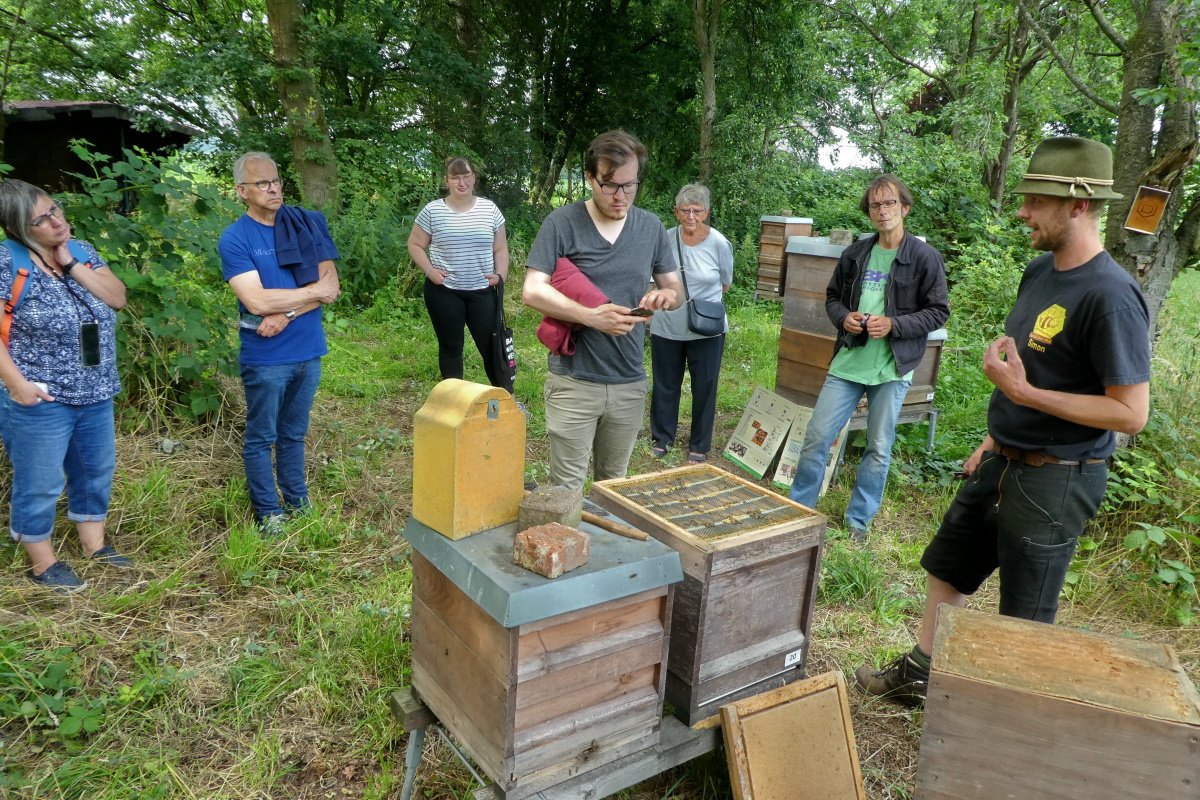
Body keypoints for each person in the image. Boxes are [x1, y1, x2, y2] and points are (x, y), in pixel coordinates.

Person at [855, 136, 1151, 707]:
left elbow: (1129, 413)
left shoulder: (1111, 294)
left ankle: (1003, 721)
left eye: (1035, 201)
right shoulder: (1040, 270)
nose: (1023, 211)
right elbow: (1039, 366)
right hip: (1005, 457)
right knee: (948, 565)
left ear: (1079, 205)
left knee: (1024, 614)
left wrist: (1024, 393)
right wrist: (997, 433)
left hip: (1057, 475)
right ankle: (923, 674)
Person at [788, 175, 949, 542]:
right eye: (875, 205)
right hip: (849, 361)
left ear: (904, 208)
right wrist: (843, 316)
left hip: (892, 367)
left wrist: (894, 324)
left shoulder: (924, 258)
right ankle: (799, 511)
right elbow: (832, 298)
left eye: (889, 203)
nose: (882, 211)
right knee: (817, 437)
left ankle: (858, 522)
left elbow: (938, 312)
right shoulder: (856, 254)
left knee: (878, 447)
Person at [523, 129, 683, 491]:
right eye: (610, 185)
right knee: (566, 490)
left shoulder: (650, 227)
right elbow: (532, 291)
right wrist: (590, 316)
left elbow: (675, 289)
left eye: (630, 185)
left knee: (614, 488)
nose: (621, 196)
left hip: (629, 381)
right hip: (574, 381)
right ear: (590, 178)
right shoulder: (561, 223)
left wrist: (664, 296)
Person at [0, 179, 130, 592]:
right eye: (42, 220)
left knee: (94, 471)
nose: (57, 221)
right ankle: (42, 563)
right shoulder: (7, 261)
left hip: (96, 388)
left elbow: (116, 297)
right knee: (40, 481)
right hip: (40, 395)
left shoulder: (83, 250)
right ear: (19, 228)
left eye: (55, 209)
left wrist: (71, 262)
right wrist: (17, 385)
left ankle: (95, 546)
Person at [218, 152, 341, 534]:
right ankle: (269, 512)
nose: (273, 189)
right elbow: (255, 301)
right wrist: (309, 295)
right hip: (266, 357)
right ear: (242, 191)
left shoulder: (306, 224)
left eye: (276, 181)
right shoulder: (235, 238)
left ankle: (297, 500)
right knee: (262, 436)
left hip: (308, 348)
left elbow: (331, 287)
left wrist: (285, 313)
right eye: (262, 183)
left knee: (293, 433)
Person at [407, 156, 511, 389]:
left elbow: (501, 248)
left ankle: (507, 401)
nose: (461, 182)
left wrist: (501, 275)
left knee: (493, 348)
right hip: (444, 292)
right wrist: (430, 271)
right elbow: (414, 244)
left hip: (483, 291)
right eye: (455, 178)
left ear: (474, 178)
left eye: (466, 177)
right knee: (451, 348)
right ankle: (453, 401)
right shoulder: (432, 211)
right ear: (447, 180)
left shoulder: (489, 209)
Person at [649, 183, 733, 463]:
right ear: (676, 211)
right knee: (665, 384)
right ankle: (661, 438)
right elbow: (654, 279)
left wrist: (697, 305)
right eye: (685, 210)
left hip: (706, 329)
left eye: (697, 211)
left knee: (705, 386)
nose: (691, 217)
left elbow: (725, 284)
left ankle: (699, 444)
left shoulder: (719, 243)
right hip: (667, 327)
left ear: (707, 212)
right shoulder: (664, 239)